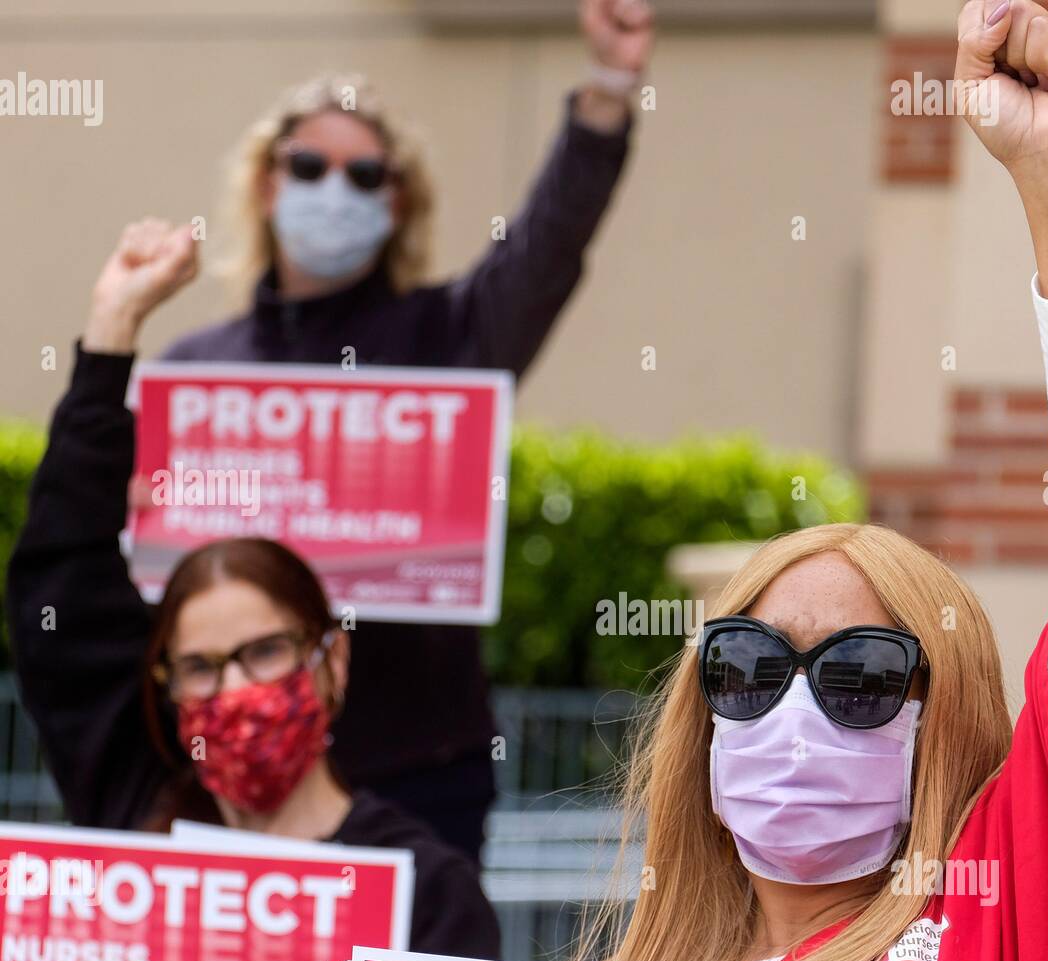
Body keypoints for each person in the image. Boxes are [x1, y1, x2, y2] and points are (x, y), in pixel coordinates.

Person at [293, 0, 1048, 961]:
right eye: (746, 667)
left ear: (954, 720)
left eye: (864, 677)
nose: (791, 707)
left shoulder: (1016, 919)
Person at [7, 247, 500, 961]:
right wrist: (110, 339)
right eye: (201, 665)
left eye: (265, 651)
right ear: (169, 689)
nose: (233, 689)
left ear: (330, 664)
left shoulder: (424, 888)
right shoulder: (135, 814)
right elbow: (59, 576)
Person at [124, 0, 655, 863]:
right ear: (267, 183)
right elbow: (150, 593)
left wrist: (609, 87)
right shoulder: (193, 370)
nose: (336, 190)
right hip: (236, 773)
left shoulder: (448, 335)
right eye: (309, 166)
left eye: (366, 176)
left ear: (398, 202)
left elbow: (548, 249)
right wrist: (134, 522)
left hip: (417, 770)